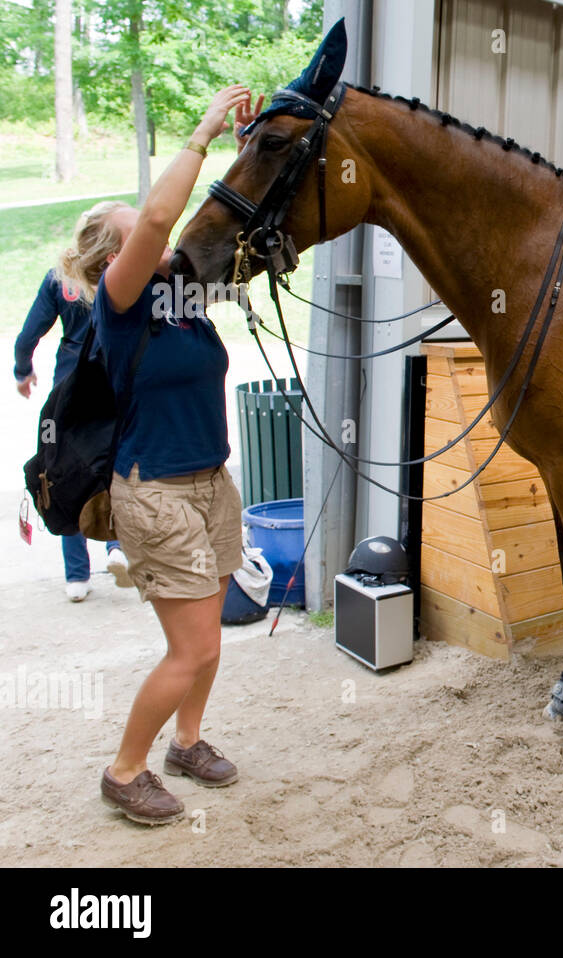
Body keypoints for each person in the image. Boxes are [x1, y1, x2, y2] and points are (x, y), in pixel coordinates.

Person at [53, 83, 258, 825]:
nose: (154, 227)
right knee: (193, 647)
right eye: (135, 226)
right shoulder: (121, 299)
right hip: (156, 492)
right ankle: (124, 769)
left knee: (208, 646)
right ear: (119, 253)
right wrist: (200, 129)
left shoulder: (183, 291)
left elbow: (232, 226)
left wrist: (247, 152)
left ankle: (187, 742)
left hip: (211, 482)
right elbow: (166, 212)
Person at [16, 259, 132, 600]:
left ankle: (77, 577)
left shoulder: (59, 277)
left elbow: (28, 335)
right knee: (114, 464)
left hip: (67, 387)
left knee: (63, 471)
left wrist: (22, 370)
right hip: (112, 379)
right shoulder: (125, 269)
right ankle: (116, 545)